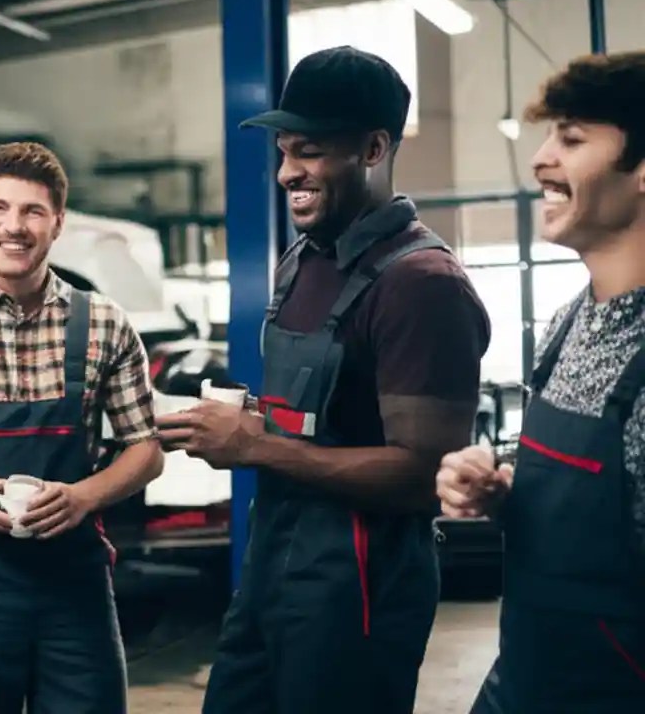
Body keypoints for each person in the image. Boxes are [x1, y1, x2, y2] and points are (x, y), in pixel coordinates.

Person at [158, 46, 491, 714]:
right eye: (283, 151)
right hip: (271, 564)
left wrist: (253, 448)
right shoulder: (301, 260)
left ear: (373, 148)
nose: (287, 173)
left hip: (360, 585)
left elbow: (424, 471)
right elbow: (325, 415)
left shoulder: (421, 285)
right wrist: (243, 419)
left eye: (307, 151)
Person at [0, 142, 163, 714]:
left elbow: (145, 450)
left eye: (32, 212)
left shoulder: (104, 323)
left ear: (57, 224)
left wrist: (82, 497)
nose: (14, 227)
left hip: (75, 589)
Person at [437, 51, 645, 713]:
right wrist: (503, 489)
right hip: (523, 679)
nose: (540, 158)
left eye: (573, 137)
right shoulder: (563, 327)